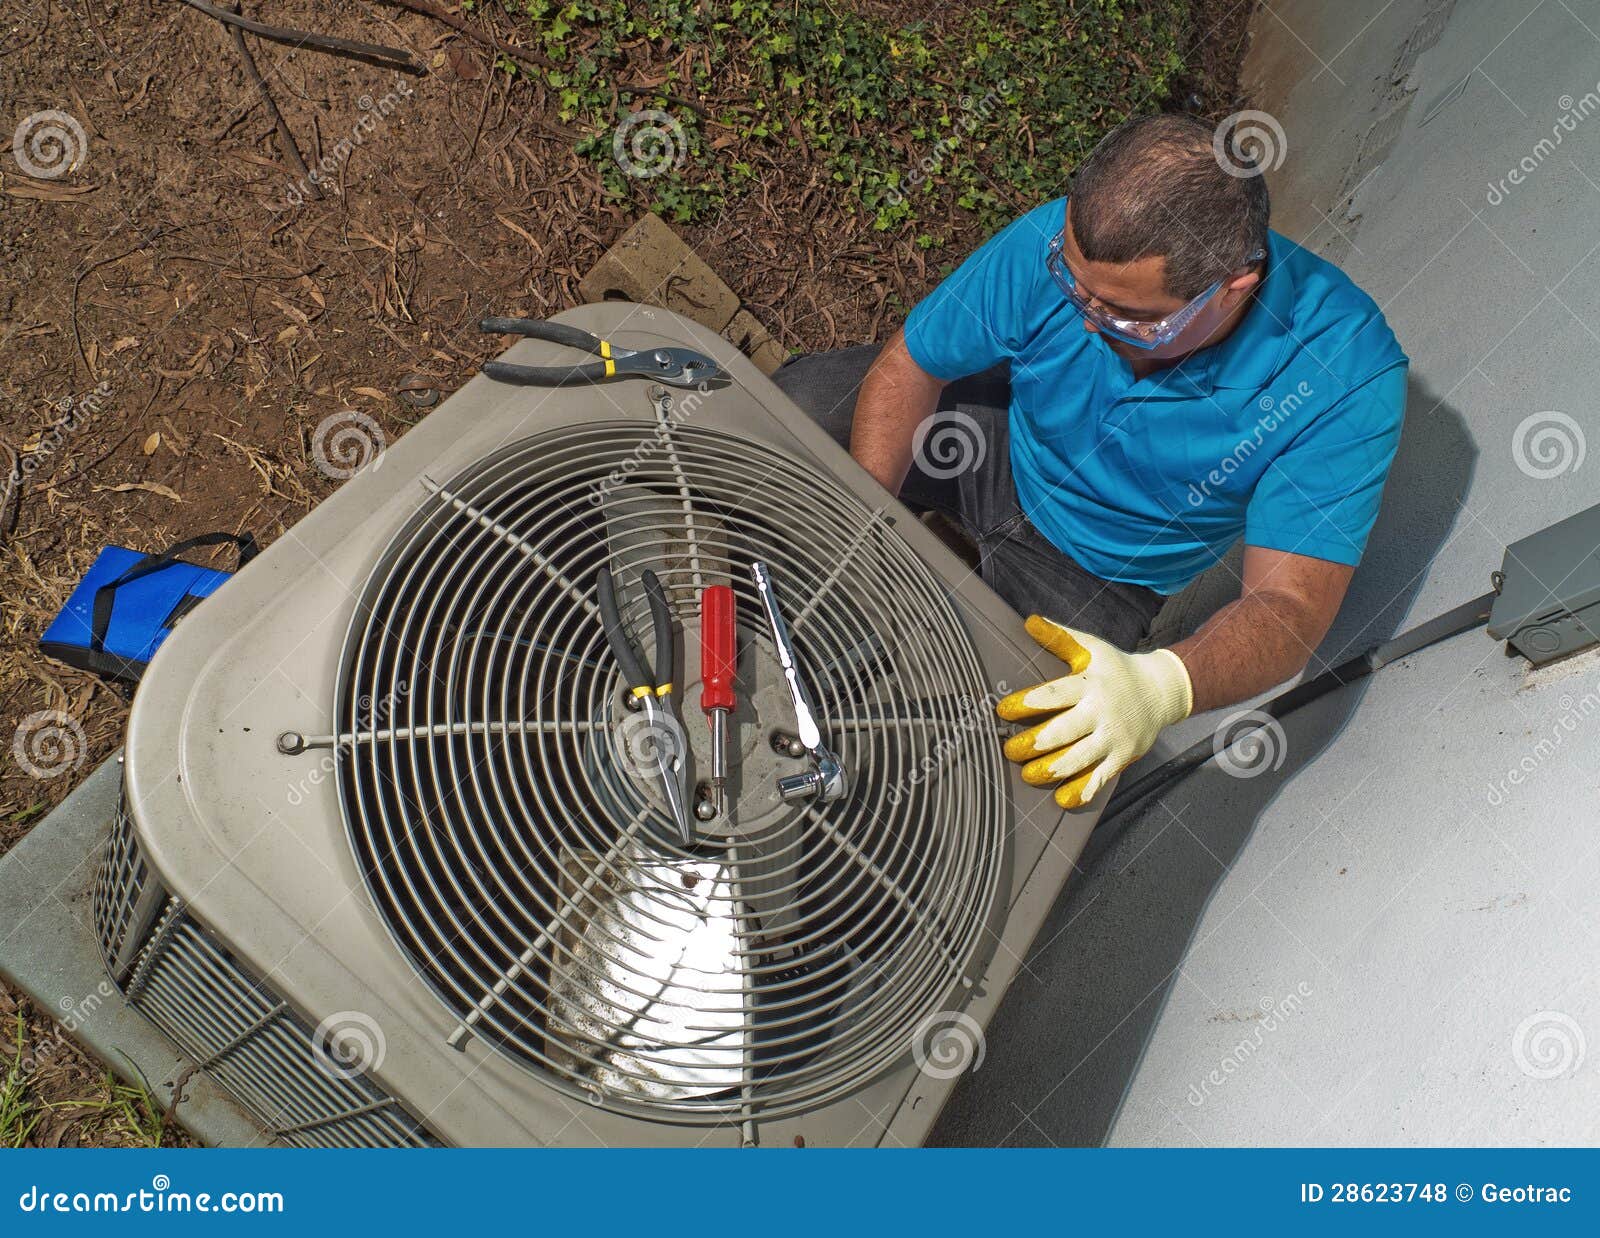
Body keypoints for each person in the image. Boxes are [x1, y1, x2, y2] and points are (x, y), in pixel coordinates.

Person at [774, 113, 1407, 809]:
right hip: (993, 442)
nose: (1085, 319)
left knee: (1014, 769)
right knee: (801, 403)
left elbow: (1287, 608)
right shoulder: (1066, 243)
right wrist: (864, 516)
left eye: (1125, 315)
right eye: (1074, 287)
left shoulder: (1344, 370)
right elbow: (911, 365)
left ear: (1233, 287)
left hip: (1098, 574)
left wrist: (1160, 688)